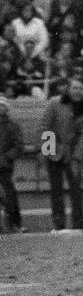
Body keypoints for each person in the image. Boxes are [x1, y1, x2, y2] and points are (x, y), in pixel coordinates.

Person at [42, 77, 83, 232]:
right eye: (75, 88)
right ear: (68, 89)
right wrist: (48, 152)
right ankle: (59, 224)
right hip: (54, 150)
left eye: (81, 89)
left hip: (74, 153)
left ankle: (79, 224)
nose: (78, 91)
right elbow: (45, 126)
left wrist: (77, 157)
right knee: (56, 190)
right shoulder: (54, 103)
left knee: (76, 190)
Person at [0, 97, 23, 232]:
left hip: (5, 165)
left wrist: (6, 157)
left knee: (9, 195)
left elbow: (19, 145)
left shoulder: (13, 125)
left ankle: (14, 222)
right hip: (5, 163)